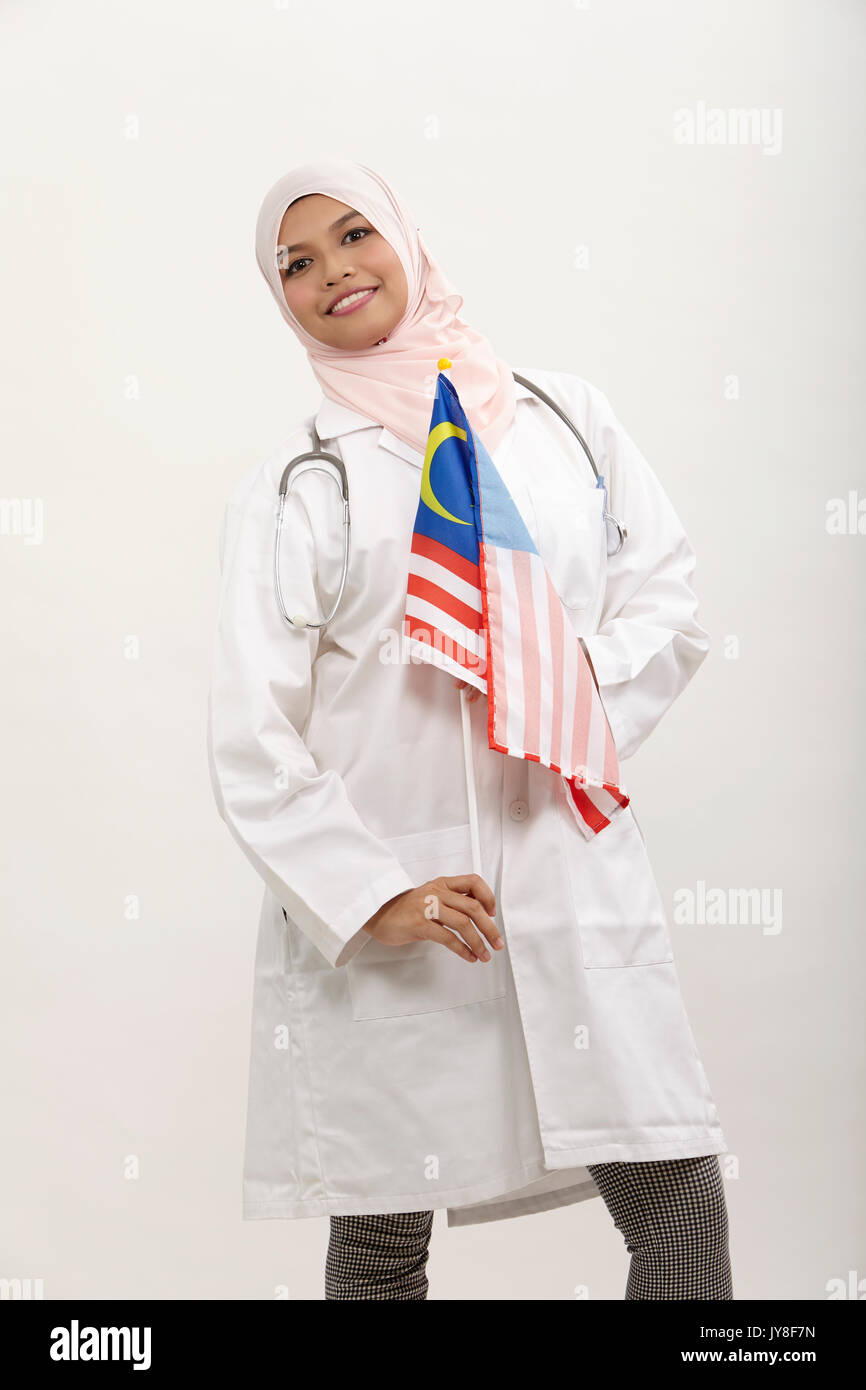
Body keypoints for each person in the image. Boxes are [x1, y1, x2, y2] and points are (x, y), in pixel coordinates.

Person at [206, 158, 734, 1301]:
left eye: (355, 235)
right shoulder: (299, 483)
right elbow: (251, 735)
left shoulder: (561, 418)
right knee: (385, 1248)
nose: (334, 270)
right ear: (279, 296)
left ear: (405, 240)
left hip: (569, 871)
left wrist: (555, 688)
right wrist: (365, 892)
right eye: (296, 263)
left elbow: (667, 600)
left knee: (679, 1205)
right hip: (410, 911)